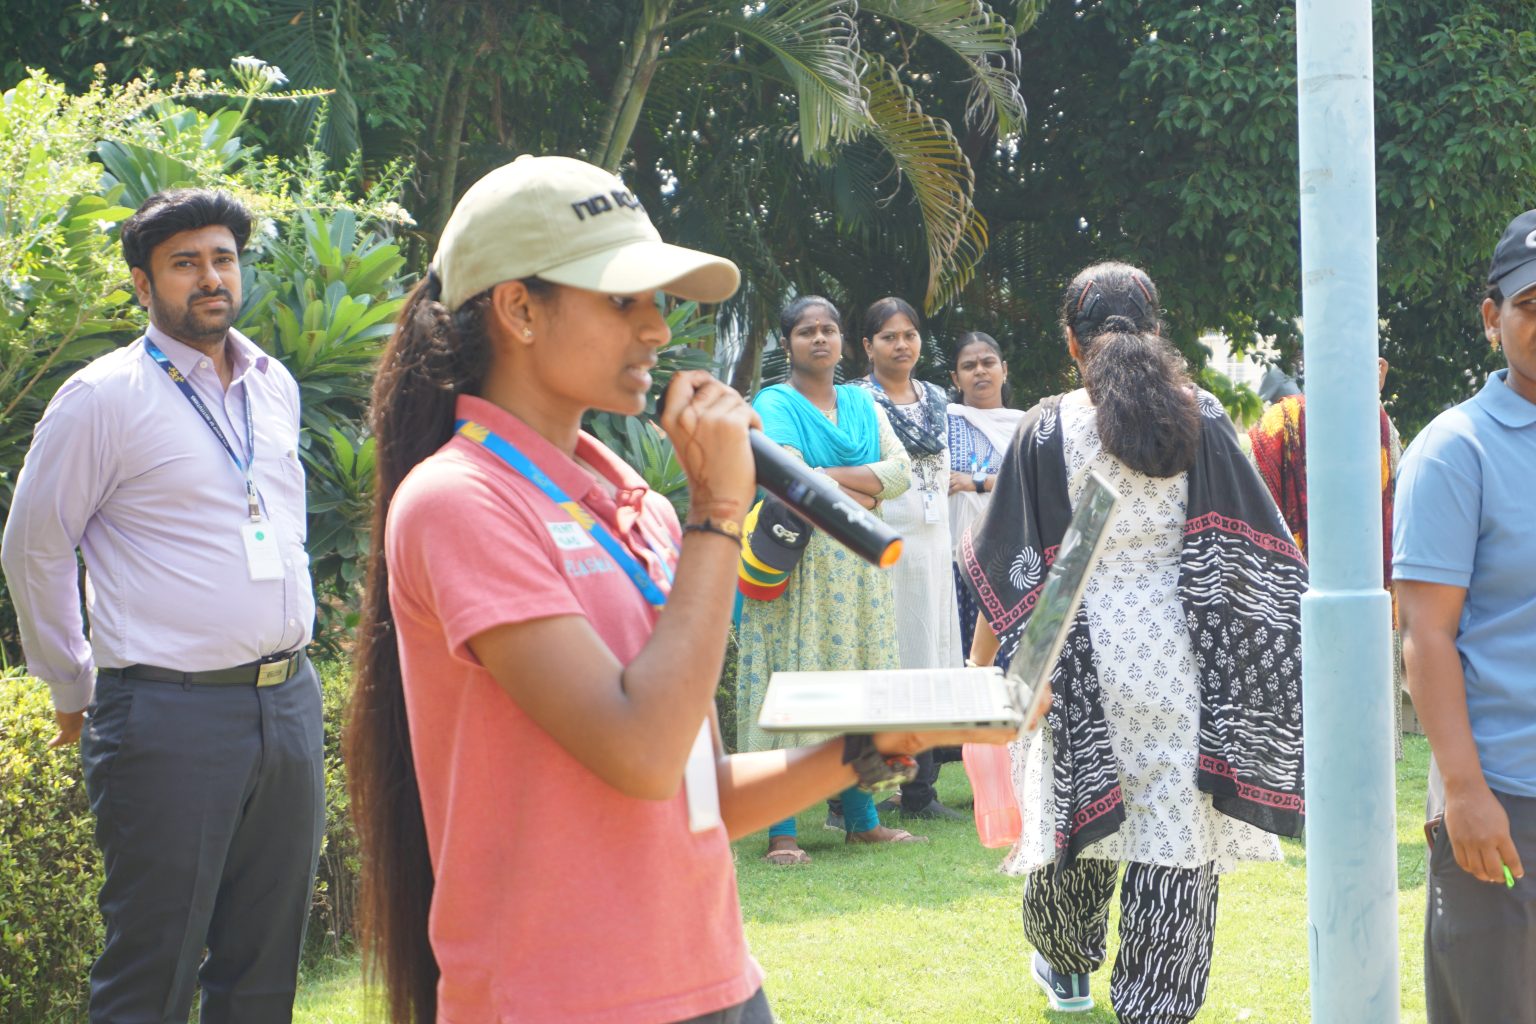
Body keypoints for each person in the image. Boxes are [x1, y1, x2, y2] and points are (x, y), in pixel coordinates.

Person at [345, 155, 1007, 1023]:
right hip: (560, 1000)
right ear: (518, 309)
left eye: (659, 301)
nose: (658, 330)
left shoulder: (635, 501)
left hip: (715, 982)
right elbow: (642, 750)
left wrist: (865, 748)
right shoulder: (458, 501)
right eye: (624, 300)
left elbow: (695, 789)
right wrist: (720, 509)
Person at [0, 189, 323, 1023]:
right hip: (169, 714)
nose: (210, 277)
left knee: (264, 963)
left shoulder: (272, 384)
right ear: (143, 286)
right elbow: (33, 545)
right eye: (185, 264)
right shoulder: (103, 398)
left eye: (222, 258)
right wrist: (72, 684)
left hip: (288, 702)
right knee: (153, 968)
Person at [962, 262, 1306, 1022]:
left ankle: (1064, 963)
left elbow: (1008, 562)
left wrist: (979, 670)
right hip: (1181, 660)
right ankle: (1158, 1005)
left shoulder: (1046, 425)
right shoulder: (1202, 415)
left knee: (1075, 824)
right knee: (1174, 838)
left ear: (1071, 344)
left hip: (1075, 661)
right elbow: (1262, 544)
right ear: (1155, 332)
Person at [1394, 208, 1536, 1024]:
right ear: (1493, 318)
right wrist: (1464, 793)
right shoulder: (1457, 450)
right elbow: (1427, 636)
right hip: (1504, 803)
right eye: (1531, 305)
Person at [735, 295, 926, 865]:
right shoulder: (774, 404)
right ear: (788, 343)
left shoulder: (862, 404)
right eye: (806, 331)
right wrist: (859, 487)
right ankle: (782, 830)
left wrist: (829, 478)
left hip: (861, 573)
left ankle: (862, 821)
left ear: (843, 342)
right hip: (803, 568)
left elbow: (900, 474)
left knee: (859, 687)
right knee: (795, 686)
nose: (820, 339)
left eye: (829, 330)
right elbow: (793, 482)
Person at [1248, 355, 1407, 756]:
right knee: (1364, 752)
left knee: (1299, 756)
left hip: (1292, 612)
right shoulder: (1382, 429)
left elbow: (1245, 516)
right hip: (1361, 612)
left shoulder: (1277, 424)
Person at [852, 297, 969, 823]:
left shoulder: (939, 399)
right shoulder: (857, 401)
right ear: (867, 346)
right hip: (883, 545)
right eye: (888, 337)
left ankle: (921, 793)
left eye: (909, 335)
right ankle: (858, 797)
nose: (901, 345)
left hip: (933, 545)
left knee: (933, 660)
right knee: (884, 663)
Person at [945, 331, 1024, 657]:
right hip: (954, 561)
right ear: (956, 377)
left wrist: (974, 482)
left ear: (1004, 369)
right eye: (969, 365)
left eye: (988, 362)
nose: (980, 370)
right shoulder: (946, 422)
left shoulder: (1025, 425)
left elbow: (1028, 482)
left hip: (1011, 561)